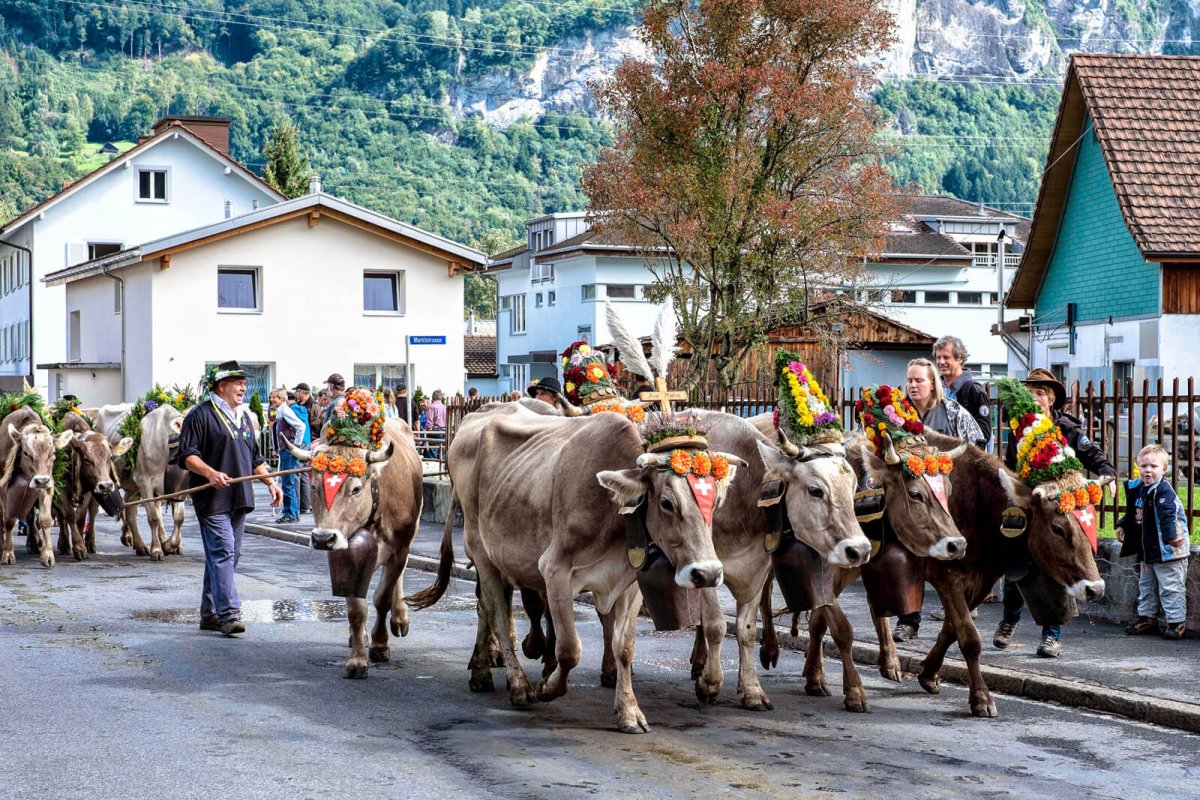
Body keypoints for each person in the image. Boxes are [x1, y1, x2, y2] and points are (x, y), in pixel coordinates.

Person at [993, 368, 1117, 657]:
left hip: (1059, 509)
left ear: (1050, 399)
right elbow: (1011, 465)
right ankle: (1009, 620)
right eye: (1029, 393)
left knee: (1057, 567)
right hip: (1030, 505)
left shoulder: (1064, 426)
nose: (1034, 398)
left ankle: (1052, 635)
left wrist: (1107, 472)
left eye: (1040, 393)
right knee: (1016, 565)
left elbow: (1091, 453)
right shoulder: (1018, 427)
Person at [178, 361, 283, 637]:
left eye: (244, 383)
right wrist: (210, 473)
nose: (244, 388)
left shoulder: (244, 417)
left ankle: (209, 612)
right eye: (238, 383)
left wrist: (271, 482)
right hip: (212, 498)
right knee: (223, 551)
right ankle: (228, 614)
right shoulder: (200, 415)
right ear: (221, 386)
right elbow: (187, 456)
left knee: (227, 555)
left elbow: (255, 459)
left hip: (240, 496)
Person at [892, 357, 986, 643]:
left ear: (933, 384)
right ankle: (908, 620)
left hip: (949, 500)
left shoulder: (954, 412)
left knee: (951, 561)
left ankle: (959, 614)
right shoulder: (896, 413)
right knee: (909, 556)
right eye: (910, 380)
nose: (913, 385)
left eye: (919, 380)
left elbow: (976, 447)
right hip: (912, 501)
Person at [1118, 444, 1189, 640]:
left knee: (1171, 587)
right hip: (1148, 551)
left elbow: (1168, 517)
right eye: (1143, 466)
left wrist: (1171, 539)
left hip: (1169, 550)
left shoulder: (1164, 492)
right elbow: (1133, 512)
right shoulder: (1139, 489)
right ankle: (1147, 618)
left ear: (1164, 469)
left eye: (1153, 466)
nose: (1148, 470)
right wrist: (1123, 525)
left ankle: (1176, 622)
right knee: (1146, 586)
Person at [934, 335, 992, 450]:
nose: (941, 362)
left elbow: (984, 434)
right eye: (938, 357)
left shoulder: (973, 390)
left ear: (960, 358)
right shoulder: (935, 387)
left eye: (946, 357)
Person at [268, 388, 307, 524]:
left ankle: (291, 514)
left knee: (288, 483)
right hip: (284, 450)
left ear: (282, 399)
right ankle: (292, 512)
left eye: (275, 397)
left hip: (288, 451)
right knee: (288, 482)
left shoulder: (285, 411)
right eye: (271, 397)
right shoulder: (280, 411)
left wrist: (295, 445)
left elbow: (301, 426)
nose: (272, 400)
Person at [292, 382, 320, 514]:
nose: (295, 394)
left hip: (309, 442)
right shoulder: (300, 405)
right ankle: (305, 505)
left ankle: (301, 505)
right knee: (303, 473)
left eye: (297, 391)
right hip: (307, 441)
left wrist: (313, 441)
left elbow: (317, 425)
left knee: (300, 472)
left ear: (303, 392)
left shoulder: (314, 405)